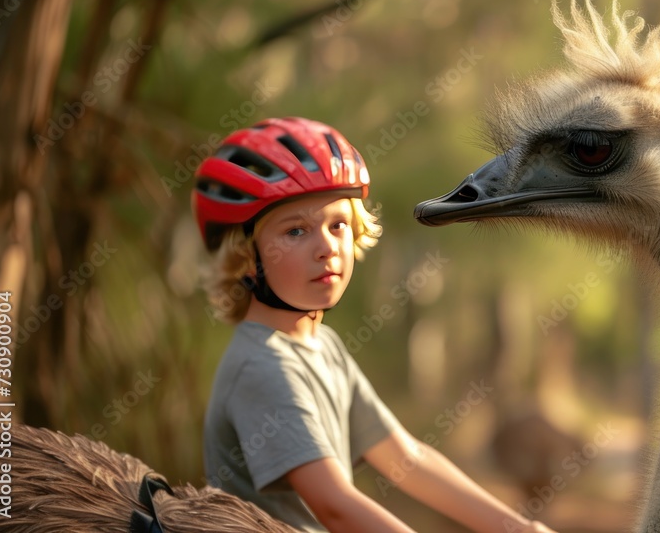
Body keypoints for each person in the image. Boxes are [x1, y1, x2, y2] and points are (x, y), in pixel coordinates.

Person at [193, 117, 556, 533]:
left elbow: (407, 460)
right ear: (244, 255)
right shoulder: (261, 366)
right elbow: (336, 506)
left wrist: (517, 527)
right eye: (296, 231)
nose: (327, 247)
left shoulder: (320, 344)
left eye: (338, 225)